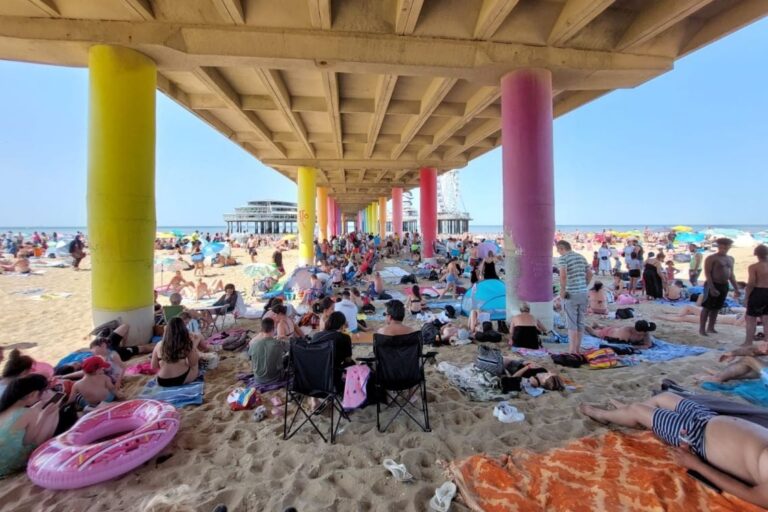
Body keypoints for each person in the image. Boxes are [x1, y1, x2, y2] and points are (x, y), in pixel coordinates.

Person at [580, 392, 768, 508]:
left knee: (638, 409)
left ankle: (602, 415)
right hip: (708, 419)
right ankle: (628, 414)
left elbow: (750, 493)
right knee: (664, 397)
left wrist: (697, 465)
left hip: (696, 437)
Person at [0, 374, 62, 477]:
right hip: (7, 465)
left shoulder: (4, 410)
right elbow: (29, 441)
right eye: (41, 393)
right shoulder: (27, 413)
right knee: (53, 412)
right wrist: (45, 415)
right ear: (33, 394)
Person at [557, 240, 592, 354]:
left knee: (571, 322)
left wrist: (562, 290)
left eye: (558, 250)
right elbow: (590, 273)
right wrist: (585, 284)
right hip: (583, 293)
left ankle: (572, 350)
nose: (558, 252)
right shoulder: (581, 257)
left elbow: (563, 275)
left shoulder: (563, 258)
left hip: (571, 293)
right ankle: (578, 348)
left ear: (562, 248)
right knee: (580, 321)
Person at [700, 238, 740, 336]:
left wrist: (736, 288)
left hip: (724, 284)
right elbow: (707, 273)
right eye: (722, 246)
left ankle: (711, 327)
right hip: (713, 284)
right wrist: (712, 287)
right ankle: (702, 329)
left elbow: (731, 275)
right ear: (718, 246)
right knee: (707, 307)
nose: (724, 248)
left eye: (726, 246)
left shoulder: (730, 258)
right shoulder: (712, 258)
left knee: (717, 307)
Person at [310, 312, 354, 392]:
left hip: (312, 373)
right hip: (331, 374)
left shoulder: (316, 335)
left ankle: (314, 400)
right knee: (352, 363)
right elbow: (348, 360)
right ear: (342, 324)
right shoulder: (344, 337)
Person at [151, 317, 200, 387]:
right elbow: (193, 363)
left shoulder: (158, 344)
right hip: (181, 378)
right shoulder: (186, 344)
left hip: (162, 380)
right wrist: (193, 346)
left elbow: (153, 366)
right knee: (195, 366)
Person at [248, 318, 288, 385]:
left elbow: (250, 356)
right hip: (275, 378)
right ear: (273, 329)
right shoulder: (278, 343)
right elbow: (291, 348)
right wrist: (284, 337)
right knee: (287, 357)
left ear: (262, 329)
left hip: (258, 378)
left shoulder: (254, 343)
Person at [745, 245, 768, 345]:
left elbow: (751, 283)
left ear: (756, 254)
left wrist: (746, 296)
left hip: (758, 292)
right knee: (766, 319)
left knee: (751, 318)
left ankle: (748, 342)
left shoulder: (754, 267)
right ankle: (766, 342)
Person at [585, 320, 656, 348]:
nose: (644, 334)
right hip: (609, 333)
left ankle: (599, 326)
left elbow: (648, 345)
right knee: (593, 332)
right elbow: (623, 344)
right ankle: (585, 326)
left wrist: (638, 346)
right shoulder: (627, 332)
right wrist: (638, 346)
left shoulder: (645, 332)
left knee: (613, 328)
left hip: (616, 330)